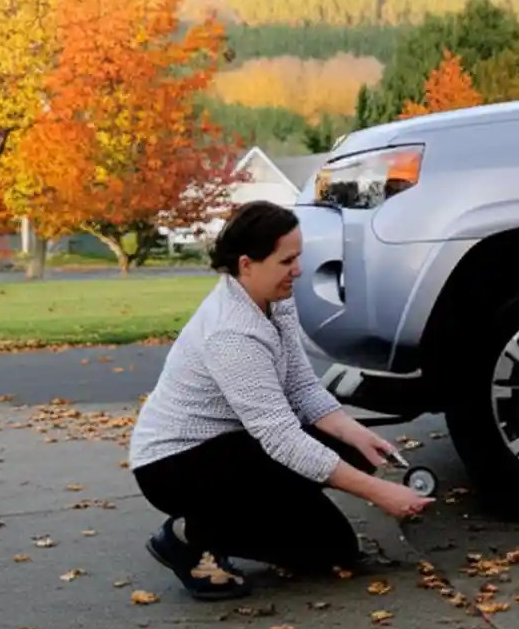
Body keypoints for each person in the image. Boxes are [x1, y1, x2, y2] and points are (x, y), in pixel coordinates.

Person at [127, 200, 436, 600]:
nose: (299, 269)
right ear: (246, 264)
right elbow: (282, 440)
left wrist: (357, 434)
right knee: (308, 463)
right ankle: (190, 535)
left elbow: (302, 388)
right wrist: (382, 494)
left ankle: (271, 514)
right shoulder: (231, 334)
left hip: (241, 448)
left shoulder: (275, 299)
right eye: (287, 260)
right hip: (177, 465)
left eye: (299, 256)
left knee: (335, 548)